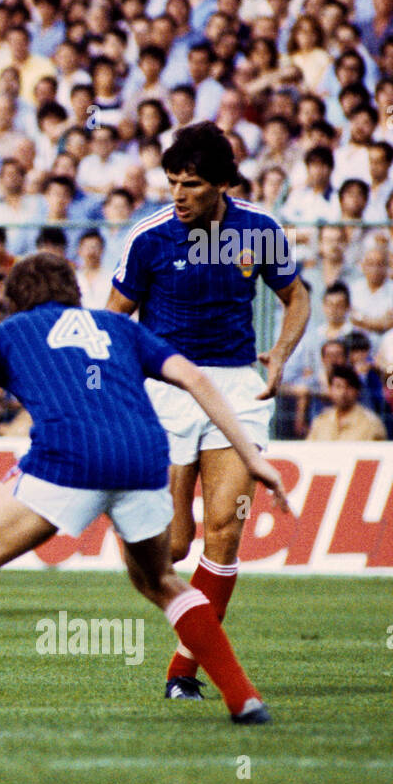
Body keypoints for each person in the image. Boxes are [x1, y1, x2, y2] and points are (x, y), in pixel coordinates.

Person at [0, 252, 287, 725]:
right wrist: (253, 457)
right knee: (160, 581)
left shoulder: (5, 335)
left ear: (15, 299)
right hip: (144, 457)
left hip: (68, 457)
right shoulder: (119, 327)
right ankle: (244, 699)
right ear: (73, 292)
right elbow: (194, 378)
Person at [106, 121, 309, 701]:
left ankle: (183, 672)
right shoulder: (149, 238)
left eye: (190, 184)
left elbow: (297, 296)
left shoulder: (260, 230)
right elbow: (115, 320)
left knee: (224, 532)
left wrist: (280, 357)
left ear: (221, 183)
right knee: (172, 547)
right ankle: (127, 514)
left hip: (235, 390)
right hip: (166, 387)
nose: (177, 194)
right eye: (171, 182)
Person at [306, 365, 387, 441]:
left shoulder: (371, 424)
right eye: (338, 386)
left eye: (348, 387)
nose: (343, 392)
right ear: (330, 390)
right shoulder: (320, 422)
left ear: (357, 391)